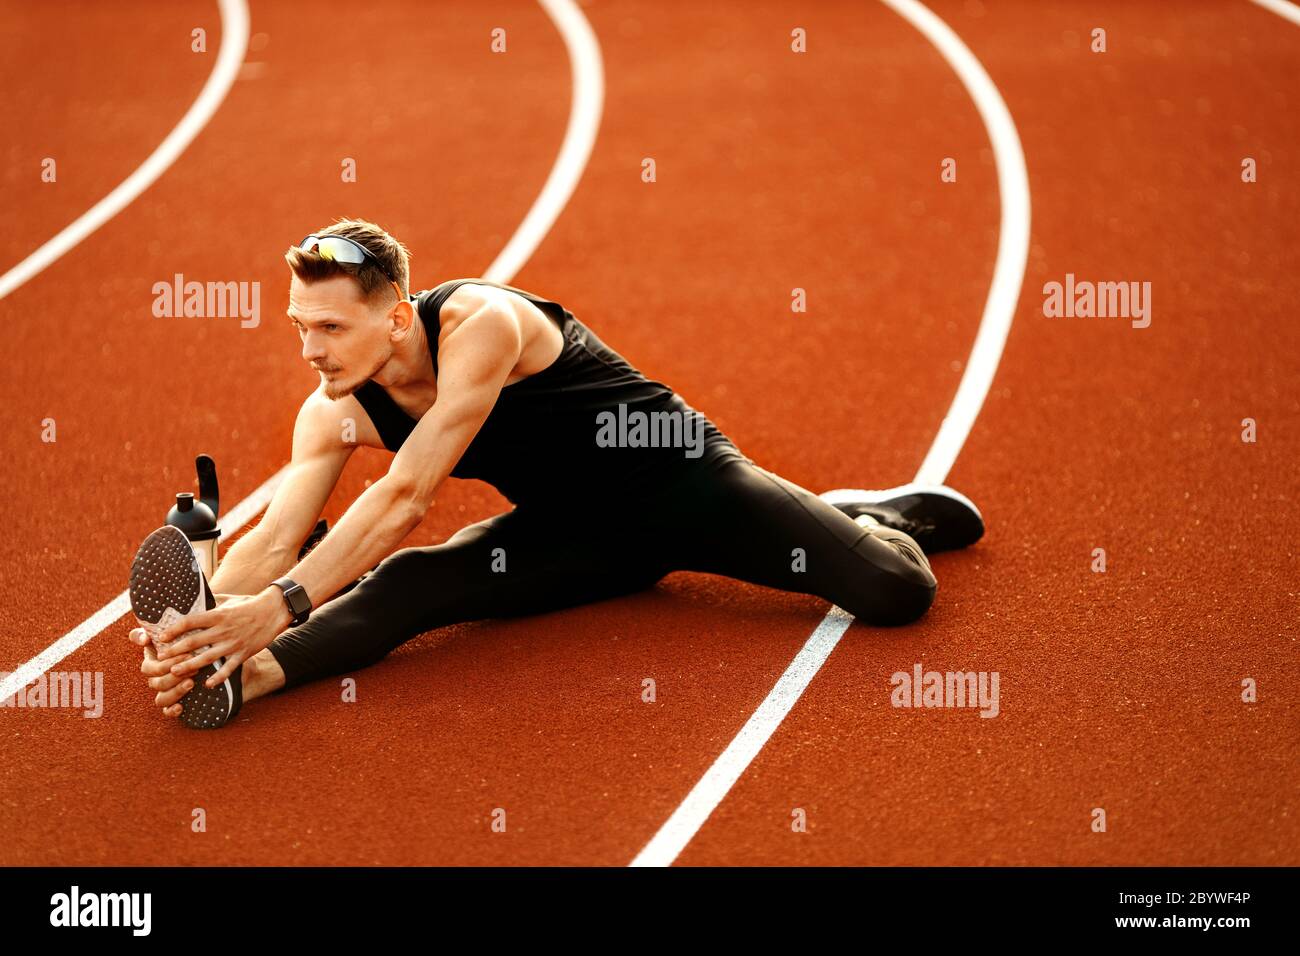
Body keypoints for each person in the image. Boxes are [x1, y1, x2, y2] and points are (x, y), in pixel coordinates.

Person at [130, 218, 984, 729]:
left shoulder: (483, 326)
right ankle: (253, 678)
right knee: (417, 582)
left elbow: (406, 495)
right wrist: (200, 626)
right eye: (298, 327)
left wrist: (272, 608)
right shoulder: (332, 409)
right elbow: (279, 536)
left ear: (395, 320)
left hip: (687, 488)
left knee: (892, 594)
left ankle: (854, 518)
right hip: (574, 533)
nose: (311, 350)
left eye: (329, 328)